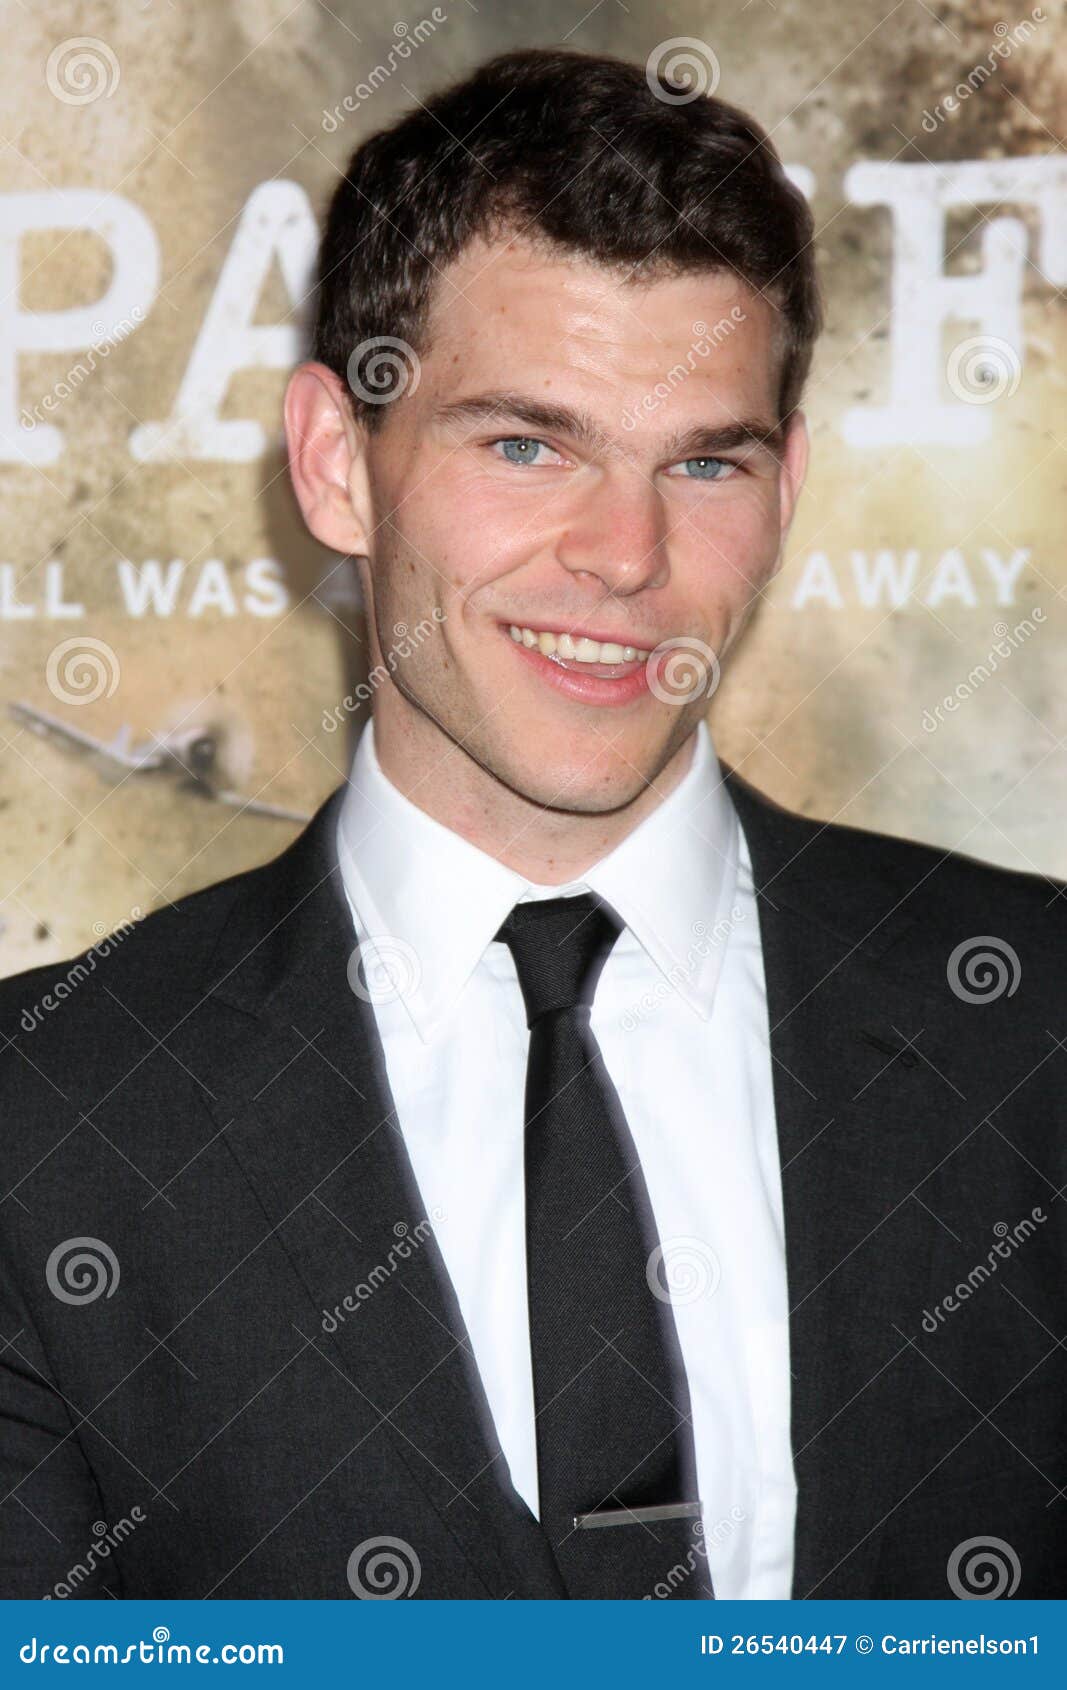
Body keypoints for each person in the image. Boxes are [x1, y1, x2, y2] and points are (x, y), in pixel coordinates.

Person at [0, 46, 1063, 1603]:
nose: (624, 555)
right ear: (333, 465)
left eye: (705, 460)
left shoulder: (1033, 1022)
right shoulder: (47, 1123)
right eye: (525, 445)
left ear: (787, 491)